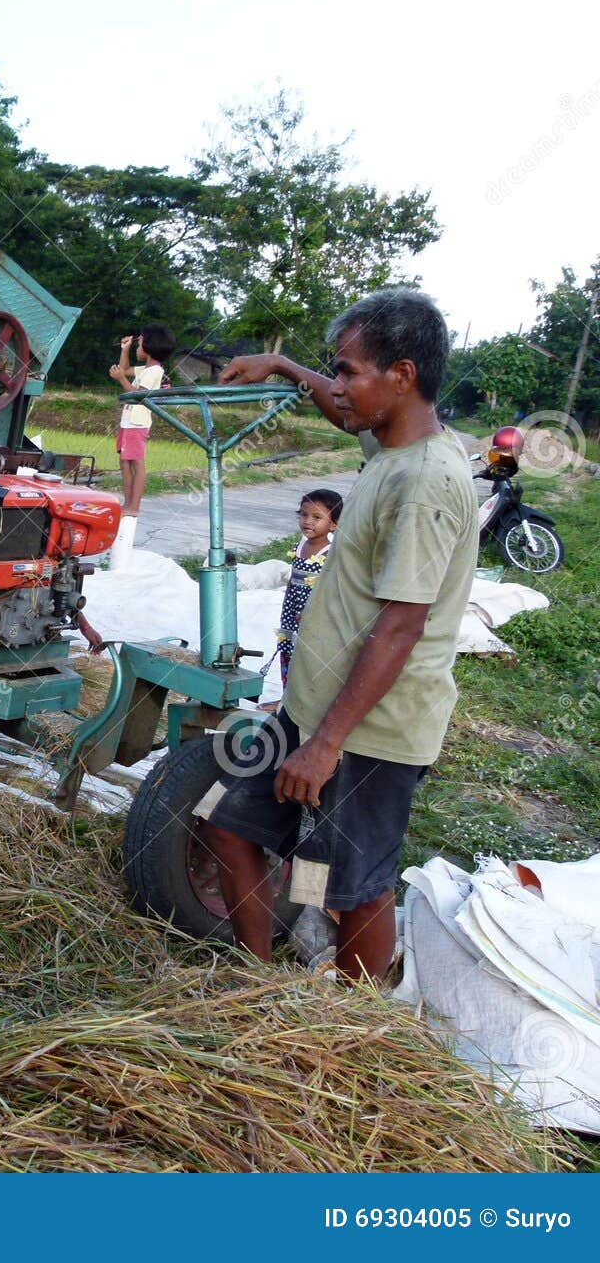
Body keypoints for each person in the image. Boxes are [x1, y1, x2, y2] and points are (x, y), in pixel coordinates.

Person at [199, 289, 476, 983]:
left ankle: (348, 1032)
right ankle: (260, 983)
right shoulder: (389, 445)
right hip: (315, 708)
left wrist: (325, 747)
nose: (339, 387)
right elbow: (336, 402)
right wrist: (283, 365)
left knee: (354, 886)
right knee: (232, 826)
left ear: (402, 376)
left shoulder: (425, 483)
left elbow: (400, 626)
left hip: (370, 729)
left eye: (349, 371)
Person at [262, 488, 343, 706]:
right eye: (304, 515)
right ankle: (288, 699)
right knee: (288, 649)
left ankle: (308, 703)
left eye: (317, 517)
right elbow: (293, 579)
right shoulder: (300, 546)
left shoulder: (330, 552)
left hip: (315, 615)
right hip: (291, 611)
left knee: (310, 656)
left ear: (333, 524)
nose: (308, 521)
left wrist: (312, 611)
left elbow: (331, 588)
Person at [106, 324, 173, 568]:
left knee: (136, 463)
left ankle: (133, 506)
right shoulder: (146, 369)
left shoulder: (155, 371)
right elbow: (124, 369)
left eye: (140, 341)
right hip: (128, 421)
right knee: (124, 461)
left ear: (150, 345)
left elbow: (139, 395)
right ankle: (128, 502)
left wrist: (122, 379)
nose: (138, 345)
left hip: (138, 422)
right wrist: (125, 350)